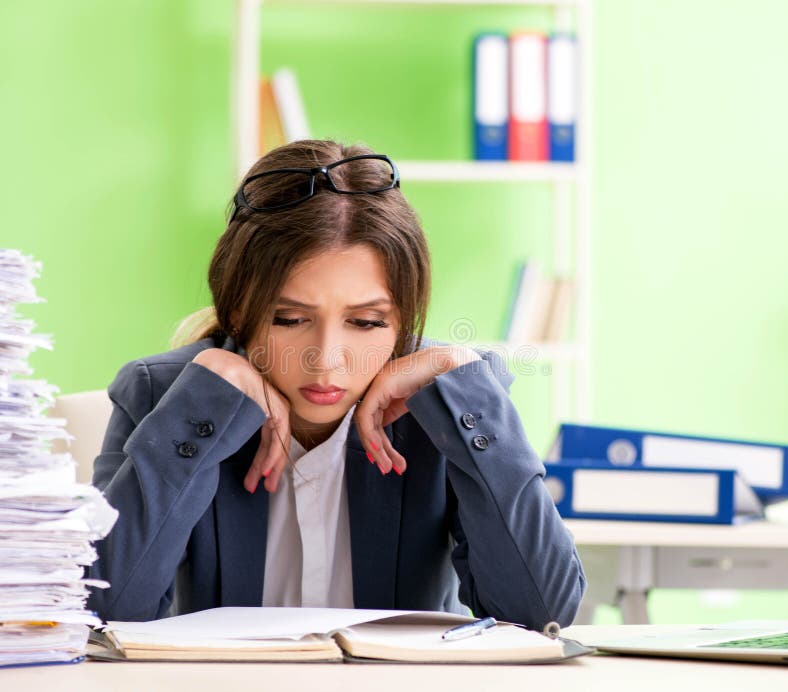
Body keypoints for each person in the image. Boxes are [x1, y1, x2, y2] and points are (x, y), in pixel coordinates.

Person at [87, 139, 586, 630]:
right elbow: (104, 612)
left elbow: (542, 614)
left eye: (366, 322)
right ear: (239, 311)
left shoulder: (450, 401)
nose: (325, 360)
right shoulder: (161, 393)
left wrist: (465, 389)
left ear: (404, 319)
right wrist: (205, 404)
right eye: (289, 318)